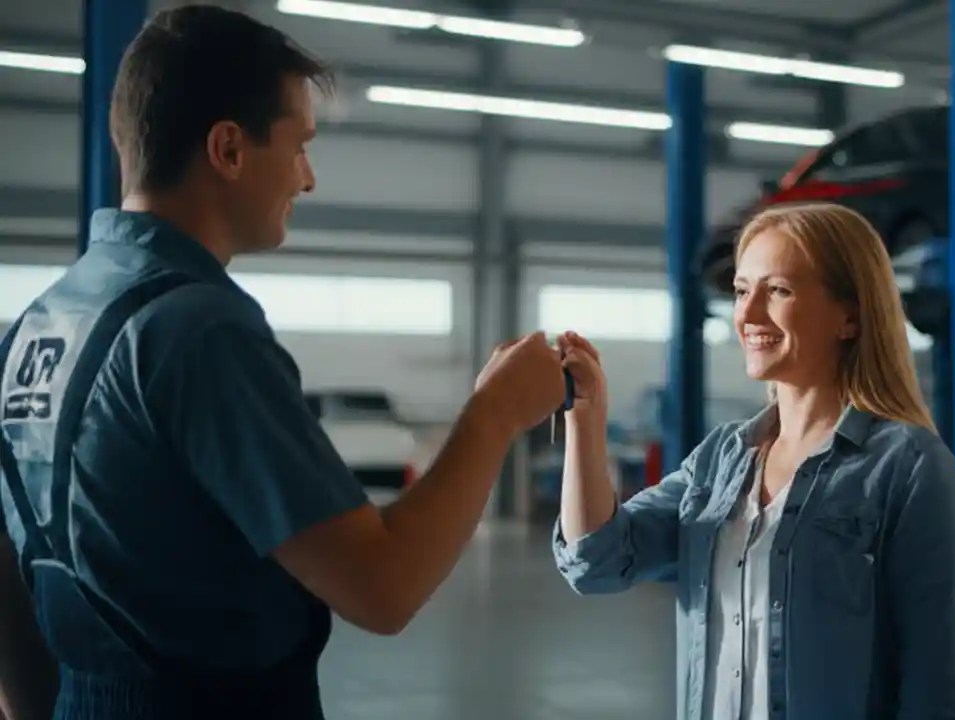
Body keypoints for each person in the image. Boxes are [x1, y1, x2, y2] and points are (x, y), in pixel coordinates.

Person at [0, 6, 565, 719]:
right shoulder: (198, 329)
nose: (307, 178)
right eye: (299, 145)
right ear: (229, 149)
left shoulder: (38, 327)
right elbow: (382, 586)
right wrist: (497, 413)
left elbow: (12, 587)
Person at [553, 202, 955, 719]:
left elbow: (937, 684)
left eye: (778, 290)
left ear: (850, 316)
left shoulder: (908, 468)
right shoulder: (720, 461)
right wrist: (584, 418)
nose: (749, 314)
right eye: (741, 291)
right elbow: (597, 561)